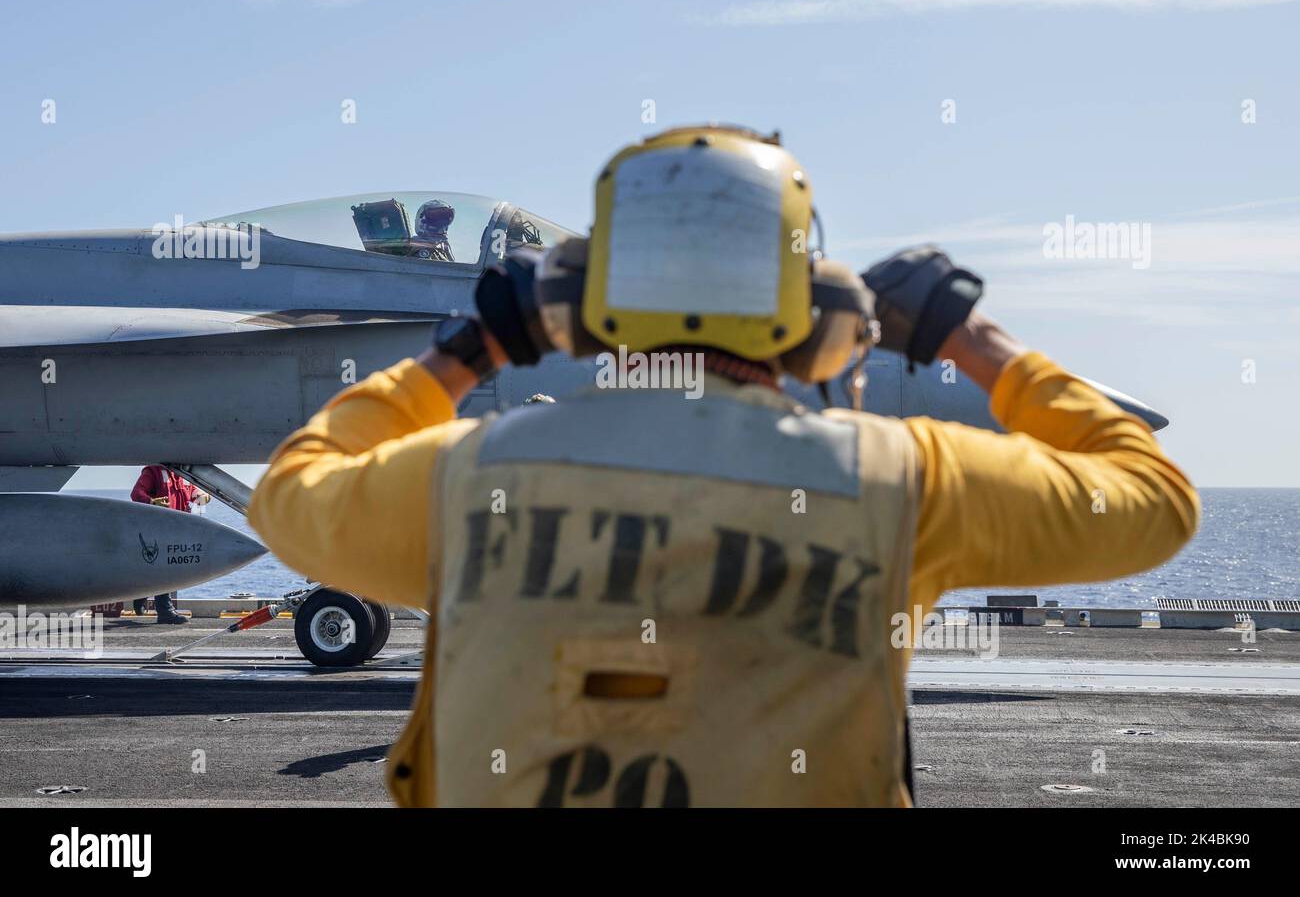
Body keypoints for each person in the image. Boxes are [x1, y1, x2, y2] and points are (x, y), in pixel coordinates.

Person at [248, 125, 1199, 807]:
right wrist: (971, 337)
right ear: (821, 316)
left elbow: (291, 493)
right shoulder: (903, 479)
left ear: (576, 305)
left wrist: (466, 351)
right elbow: (1155, 500)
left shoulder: (468, 477)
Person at [130, 465, 210, 624]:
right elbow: (136, 494)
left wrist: (204, 496)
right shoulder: (153, 471)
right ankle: (165, 611)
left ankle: (142, 594)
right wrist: (152, 502)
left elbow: (194, 493)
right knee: (167, 569)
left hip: (177, 532)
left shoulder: (182, 475)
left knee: (170, 569)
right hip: (159, 532)